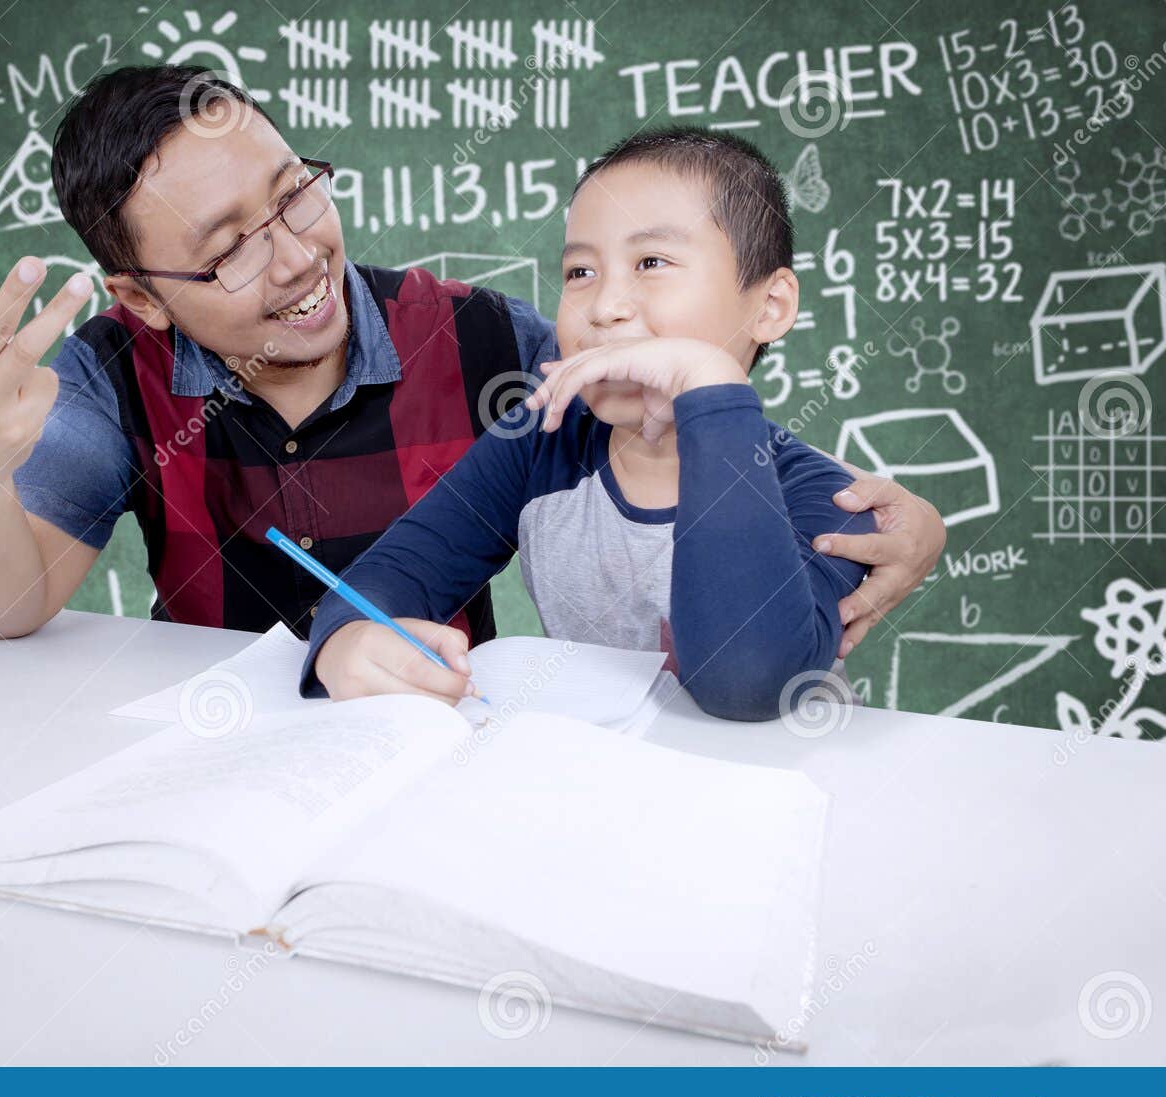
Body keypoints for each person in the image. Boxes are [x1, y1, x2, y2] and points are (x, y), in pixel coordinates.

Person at [0, 66, 943, 660]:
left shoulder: (481, 341)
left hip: (436, 740)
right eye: (228, 250)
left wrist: (904, 525)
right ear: (140, 297)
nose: (293, 259)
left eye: (294, 195)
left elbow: (689, 423)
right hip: (210, 741)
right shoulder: (103, 371)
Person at [305, 127, 884, 720]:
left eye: (652, 262)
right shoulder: (537, 448)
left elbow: (745, 685)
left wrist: (710, 386)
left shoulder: (827, 498)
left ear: (770, 306)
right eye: (580, 272)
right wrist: (348, 636)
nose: (604, 305)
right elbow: (396, 572)